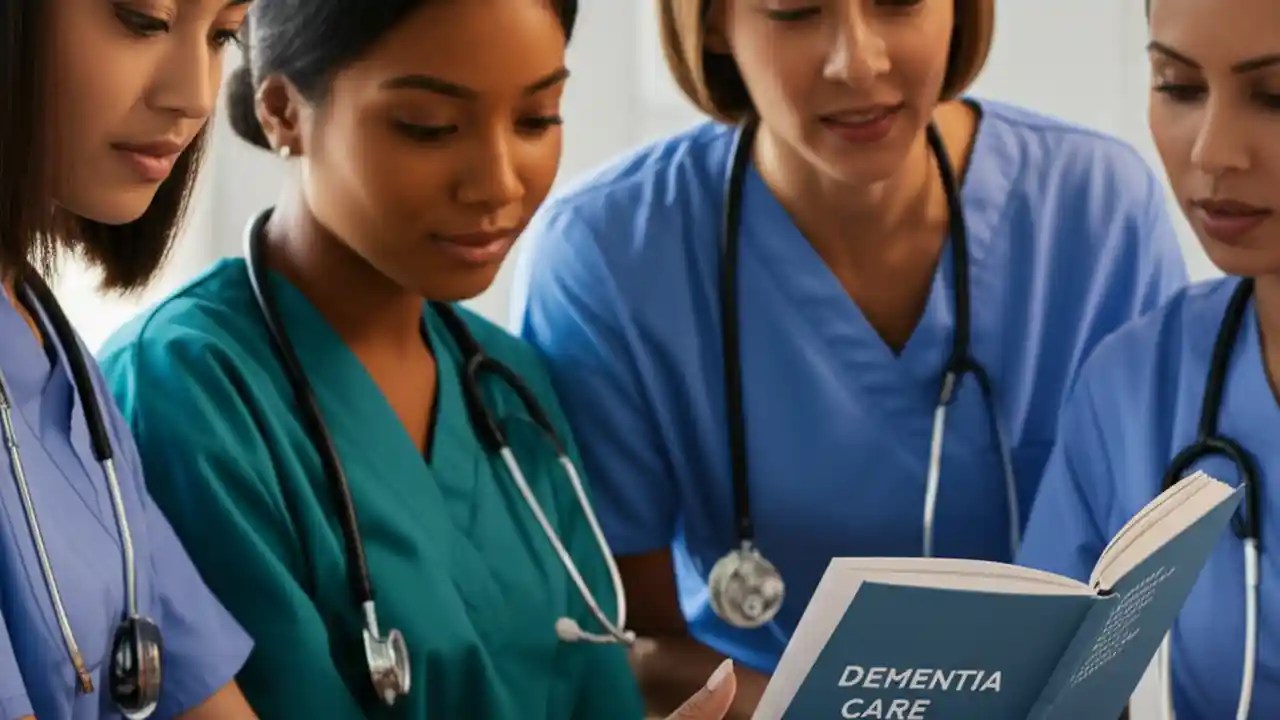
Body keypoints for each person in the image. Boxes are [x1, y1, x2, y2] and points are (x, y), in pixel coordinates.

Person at [508, 0, 1192, 715]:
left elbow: (1155, 591)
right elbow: (629, 640)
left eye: (898, 1)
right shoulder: (609, 253)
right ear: (711, 22)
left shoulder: (1098, 211)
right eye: (795, 11)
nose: (858, 62)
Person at [96, 0, 738, 718]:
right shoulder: (182, 389)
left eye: (536, 119)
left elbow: (599, 692)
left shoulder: (509, 384)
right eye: (428, 127)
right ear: (282, 111)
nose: (498, 182)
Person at [1018, 0, 1280, 717]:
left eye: (1277, 97)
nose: (1213, 152)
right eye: (1180, 87)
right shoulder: (1134, 384)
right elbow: (1039, 692)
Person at [0, 1, 261, 719]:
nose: (197, 94)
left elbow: (197, 685)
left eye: (222, 36)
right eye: (144, 19)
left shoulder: (51, 349)